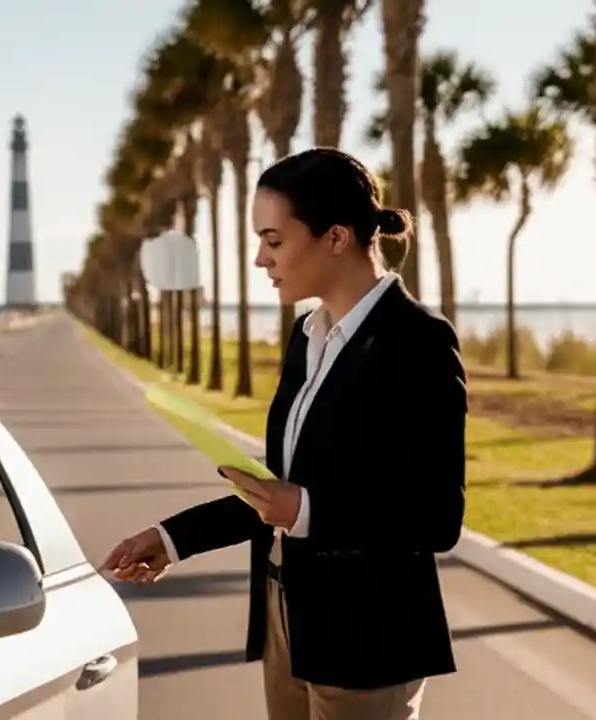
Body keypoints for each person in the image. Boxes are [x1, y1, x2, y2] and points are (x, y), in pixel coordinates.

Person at [100, 148, 467, 720]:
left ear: (337, 237)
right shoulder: (307, 336)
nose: (259, 259)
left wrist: (306, 509)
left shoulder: (416, 341)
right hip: (286, 612)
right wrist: (173, 538)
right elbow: (281, 492)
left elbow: (436, 516)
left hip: (369, 635)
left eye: (273, 241)